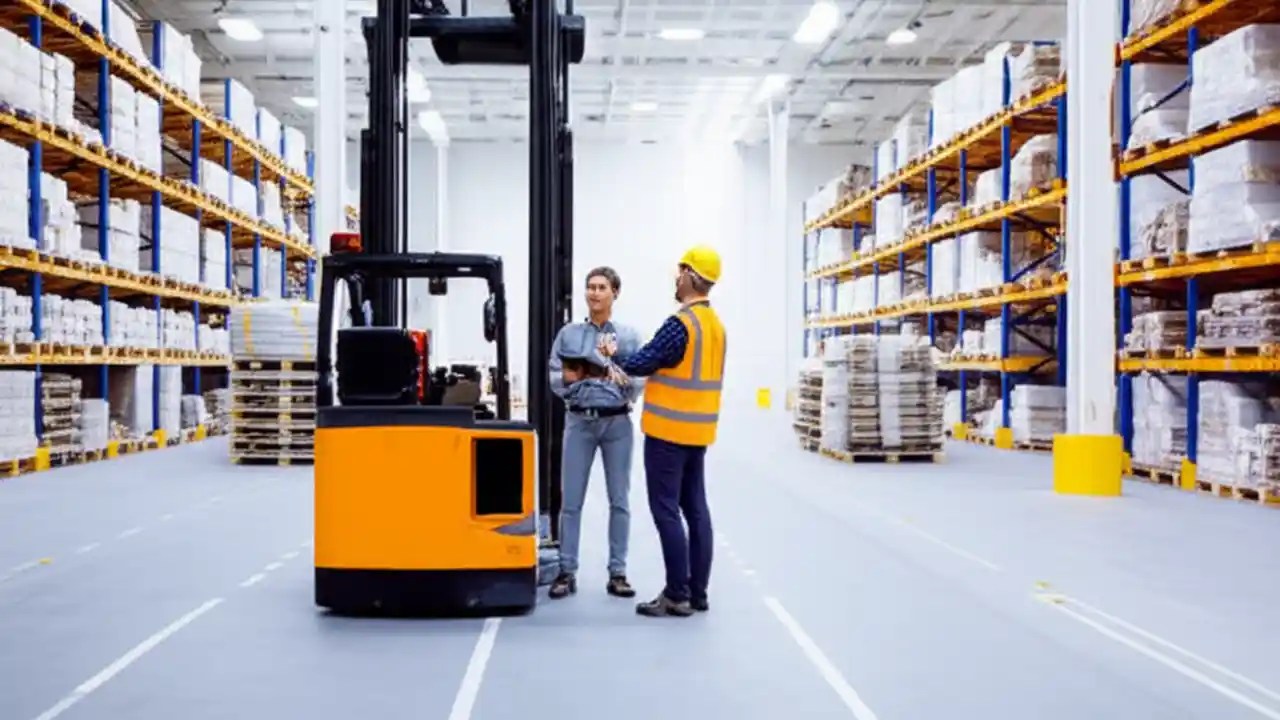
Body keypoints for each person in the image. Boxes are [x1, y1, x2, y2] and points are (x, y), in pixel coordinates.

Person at [601, 246, 725, 618]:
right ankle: (697, 592)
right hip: (698, 432)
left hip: (669, 432)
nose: (675, 277)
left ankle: (676, 593)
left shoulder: (681, 324)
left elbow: (643, 361)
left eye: (679, 271)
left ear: (689, 275)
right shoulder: (716, 326)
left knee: (666, 510)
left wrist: (613, 353)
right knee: (696, 509)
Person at [546, 267, 644, 600]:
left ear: (615, 293)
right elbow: (558, 378)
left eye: (602, 287)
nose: (594, 293)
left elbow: (636, 382)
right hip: (579, 423)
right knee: (571, 500)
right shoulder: (569, 335)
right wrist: (598, 377)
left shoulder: (628, 337)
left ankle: (618, 572)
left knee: (620, 500)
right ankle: (566, 570)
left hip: (617, 424)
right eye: (590, 287)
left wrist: (599, 372)